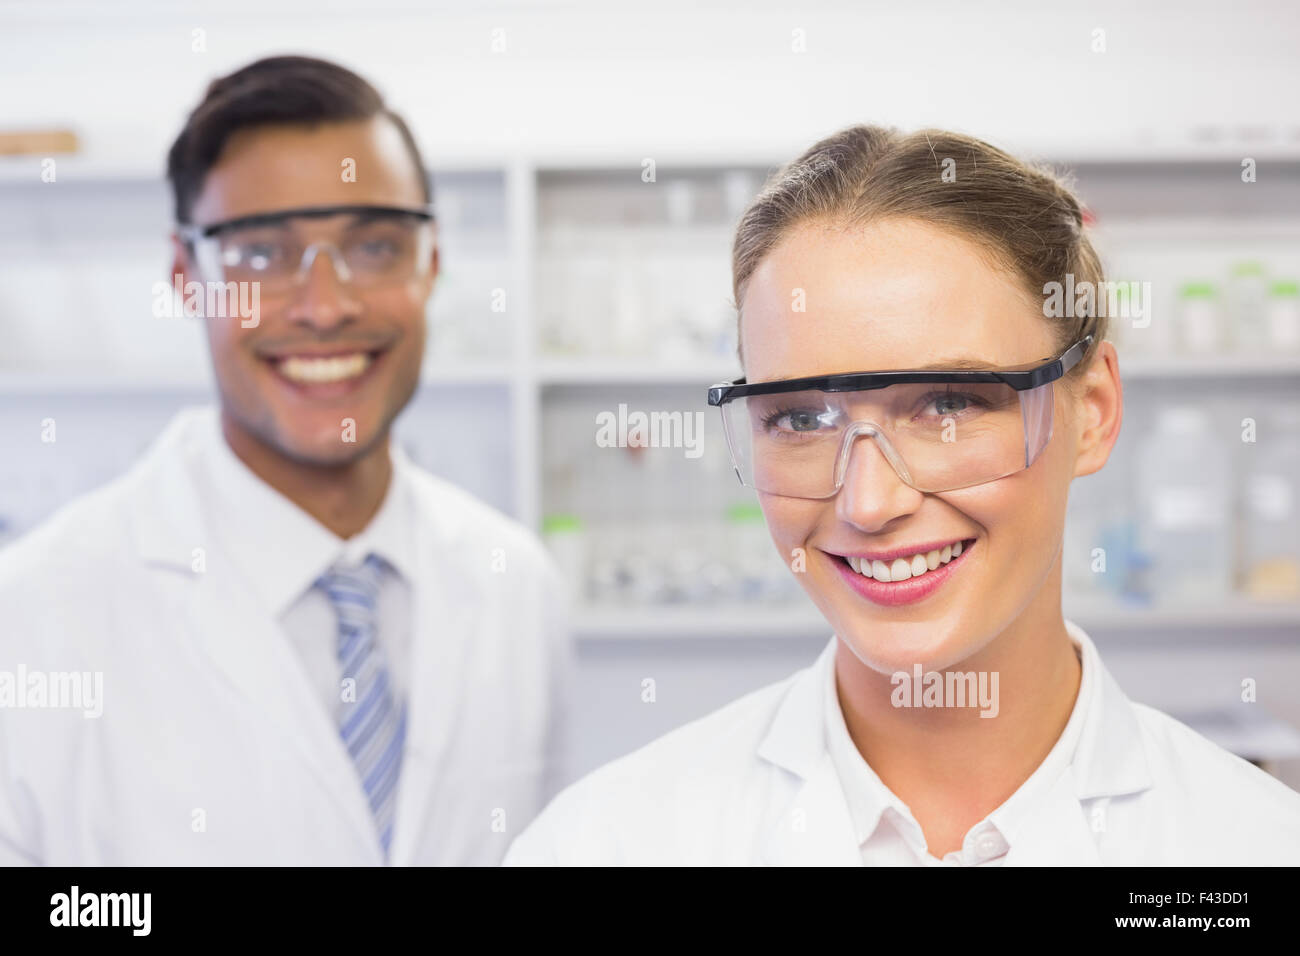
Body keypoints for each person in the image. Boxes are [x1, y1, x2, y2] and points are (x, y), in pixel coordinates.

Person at [505, 124, 1300, 866]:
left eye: (949, 405)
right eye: (802, 417)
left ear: (1090, 414)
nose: (869, 503)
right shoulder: (605, 842)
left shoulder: (1247, 847)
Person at [0, 56, 570, 865]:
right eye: (262, 255)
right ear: (183, 276)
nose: (327, 304)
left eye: (373, 245)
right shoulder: (31, 619)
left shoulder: (518, 585)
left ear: (431, 259)